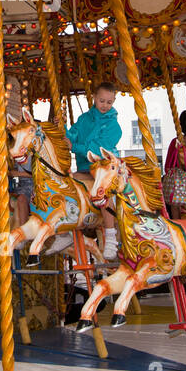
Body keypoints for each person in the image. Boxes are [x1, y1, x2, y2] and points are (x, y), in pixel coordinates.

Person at [66, 82, 121, 261]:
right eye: (102, 101)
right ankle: (68, 227)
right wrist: (64, 133)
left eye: (109, 102)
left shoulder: (114, 126)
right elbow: (73, 133)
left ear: (113, 102)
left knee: (102, 190)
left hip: (103, 166)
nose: (105, 105)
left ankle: (111, 234)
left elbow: (95, 149)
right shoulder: (84, 119)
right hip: (85, 168)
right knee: (68, 181)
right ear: (94, 99)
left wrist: (74, 146)